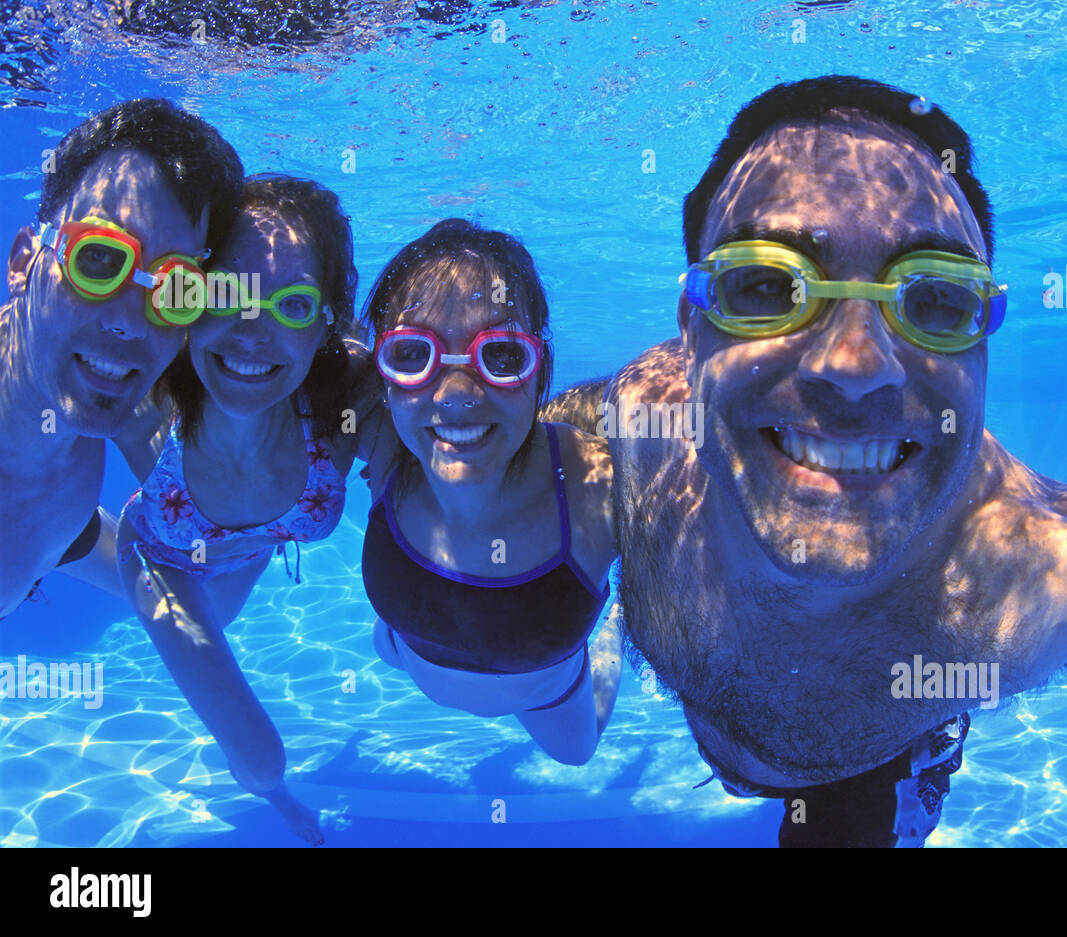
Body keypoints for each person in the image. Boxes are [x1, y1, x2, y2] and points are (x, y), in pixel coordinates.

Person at [542, 75, 1067, 846]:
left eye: (935, 300)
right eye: (769, 286)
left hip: (878, 766)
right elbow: (535, 433)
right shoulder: (643, 423)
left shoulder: (1049, 575)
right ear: (692, 333)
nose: (854, 364)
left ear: (981, 349)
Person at [115, 174, 385, 845]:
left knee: (221, 605)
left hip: (247, 555)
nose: (250, 333)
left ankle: (72, 544)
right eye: (226, 293)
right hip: (161, 554)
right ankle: (282, 803)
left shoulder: (344, 401)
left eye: (290, 306)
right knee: (262, 755)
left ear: (326, 323)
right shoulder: (145, 389)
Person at [361, 219, 622, 766]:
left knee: (577, 753)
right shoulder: (382, 438)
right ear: (382, 378)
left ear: (540, 370)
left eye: (501, 356)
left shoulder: (598, 491)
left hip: (547, 692)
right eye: (412, 355)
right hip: (407, 652)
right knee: (386, 648)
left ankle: (609, 632)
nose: (456, 396)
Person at [1, 98, 242, 620]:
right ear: (24, 263)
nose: (131, 321)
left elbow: (210, 601)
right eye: (99, 260)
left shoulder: (71, 476)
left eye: (176, 289)